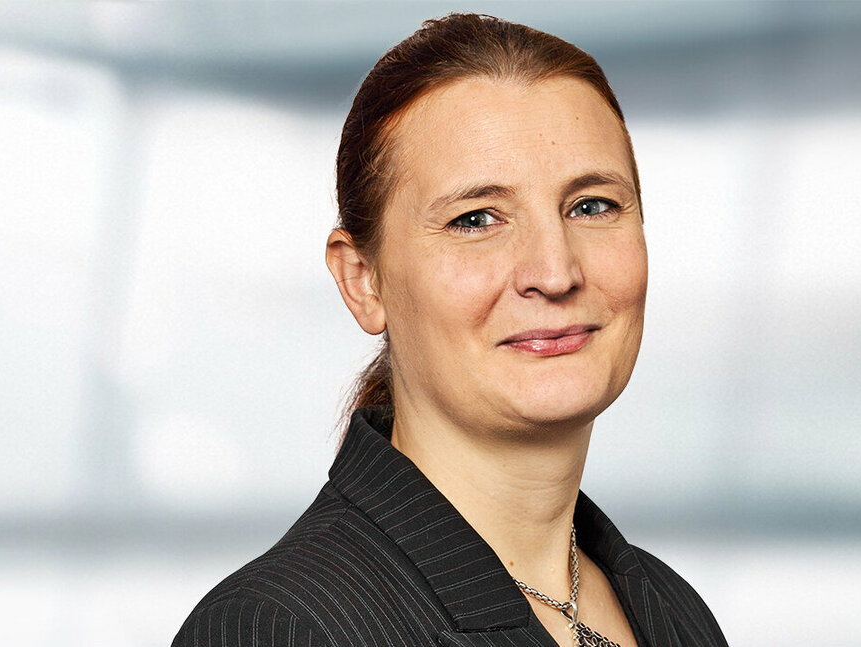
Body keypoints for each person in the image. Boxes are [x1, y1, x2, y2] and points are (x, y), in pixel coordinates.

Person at [173, 13, 727, 647]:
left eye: (592, 206)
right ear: (362, 280)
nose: (555, 272)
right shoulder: (282, 626)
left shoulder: (673, 610)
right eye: (476, 219)